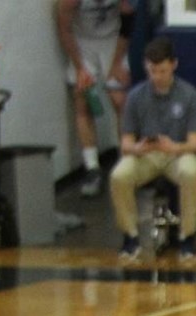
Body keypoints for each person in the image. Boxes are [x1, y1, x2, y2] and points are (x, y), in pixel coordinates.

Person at [109, 36, 196, 265]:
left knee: (191, 172)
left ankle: (187, 236)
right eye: (152, 71)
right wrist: (138, 148)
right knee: (119, 175)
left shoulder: (190, 95)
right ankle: (130, 236)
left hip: (176, 153)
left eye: (162, 70)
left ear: (173, 65)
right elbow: (126, 143)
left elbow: (195, 143)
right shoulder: (135, 97)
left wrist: (175, 146)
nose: (157, 76)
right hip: (146, 155)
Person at [55, 0, 131, 197]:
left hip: (113, 40)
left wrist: (116, 63)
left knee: (120, 100)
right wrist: (80, 68)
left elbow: (129, 22)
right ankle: (92, 168)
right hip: (82, 42)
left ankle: (126, 162)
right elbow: (64, 29)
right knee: (82, 100)